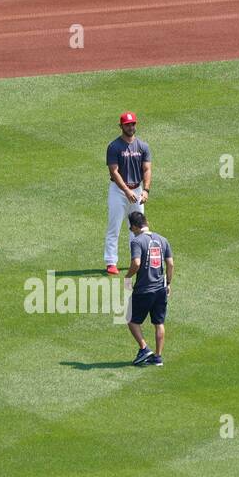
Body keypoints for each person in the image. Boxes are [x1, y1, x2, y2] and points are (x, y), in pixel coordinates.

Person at [104, 111, 152, 275]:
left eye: (133, 124)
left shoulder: (143, 146)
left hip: (137, 190)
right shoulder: (114, 146)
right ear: (121, 126)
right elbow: (114, 171)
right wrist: (126, 191)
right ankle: (111, 262)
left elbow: (147, 169)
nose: (131, 127)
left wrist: (145, 190)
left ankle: (137, 260)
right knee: (114, 227)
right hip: (118, 192)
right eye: (127, 124)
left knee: (139, 228)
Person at [125, 211, 172, 367]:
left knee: (131, 320)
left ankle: (144, 348)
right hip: (160, 289)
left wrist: (127, 277)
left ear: (134, 226)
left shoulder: (137, 241)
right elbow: (170, 264)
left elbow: (136, 263)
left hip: (144, 289)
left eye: (131, 229)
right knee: (159, 323)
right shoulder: (163, 240)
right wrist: (168, 283)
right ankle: (158, 357)